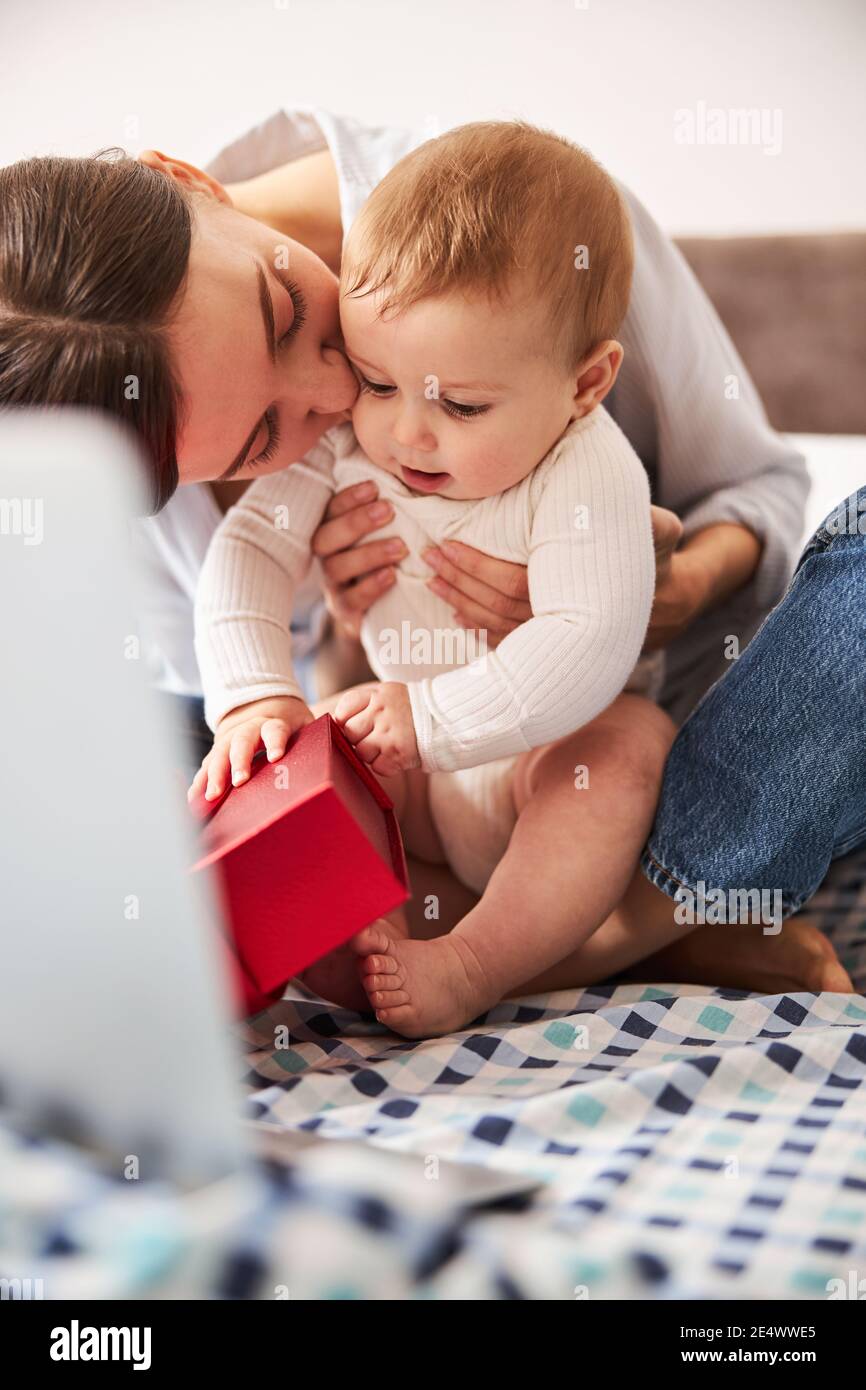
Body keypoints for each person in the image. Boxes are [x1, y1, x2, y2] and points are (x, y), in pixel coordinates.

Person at [0, 107, 833, 994]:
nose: (340, 396)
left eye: (286, 317)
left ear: (184, 179)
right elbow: (251, 578)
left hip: (600, 740)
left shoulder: (548, 235)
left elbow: (755, 491)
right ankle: (527, 938)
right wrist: (268, 692)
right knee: (205, 832)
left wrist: (673, 591)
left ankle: (565, 943)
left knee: (633, 750)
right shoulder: (126, 508)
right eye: (262, 439)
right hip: (404, 738)